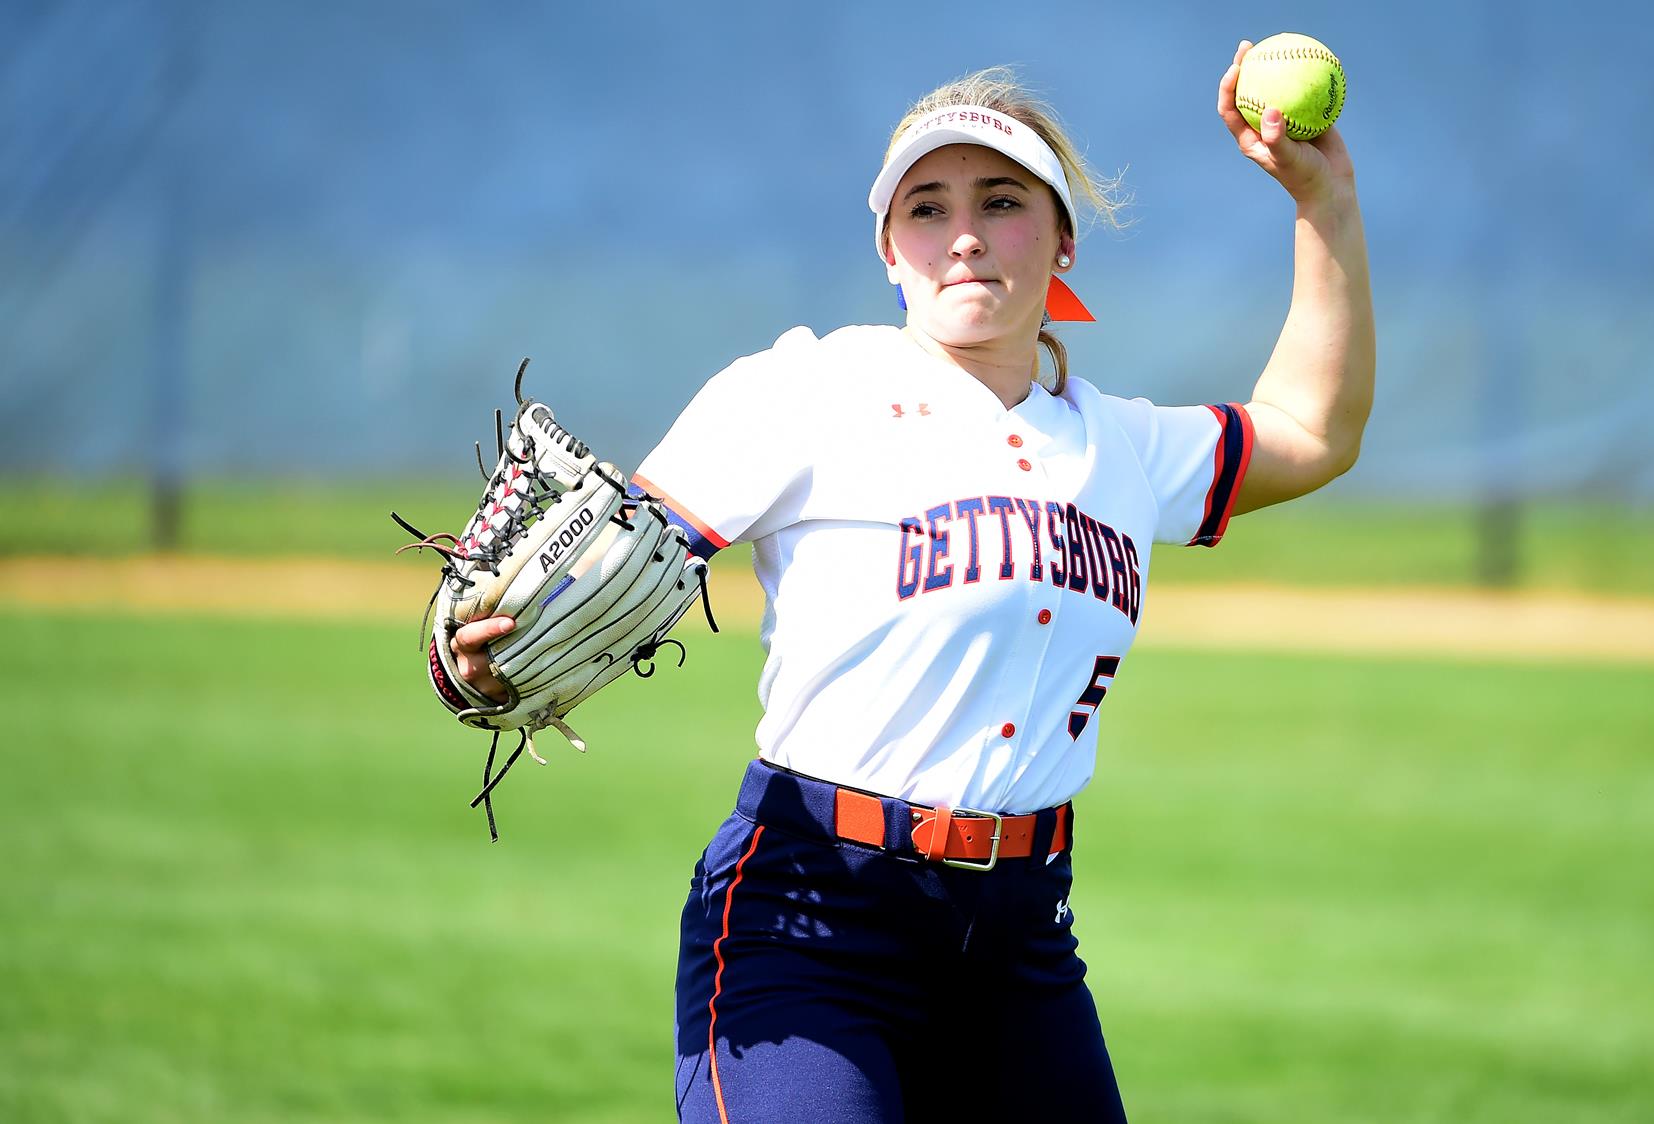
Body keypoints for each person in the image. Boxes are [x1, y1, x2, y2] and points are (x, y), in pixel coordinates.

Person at [450, 43, 1373, 1123]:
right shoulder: (807, 392)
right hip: (811, 920)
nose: (964, 232)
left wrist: (1326, 203)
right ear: (890, 251)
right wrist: (482, 643)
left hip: (1022, 938)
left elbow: (1312, 430)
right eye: (925, 208)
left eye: (1002, 200)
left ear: (1061, 238)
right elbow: (596, 564)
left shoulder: (1122, 445)